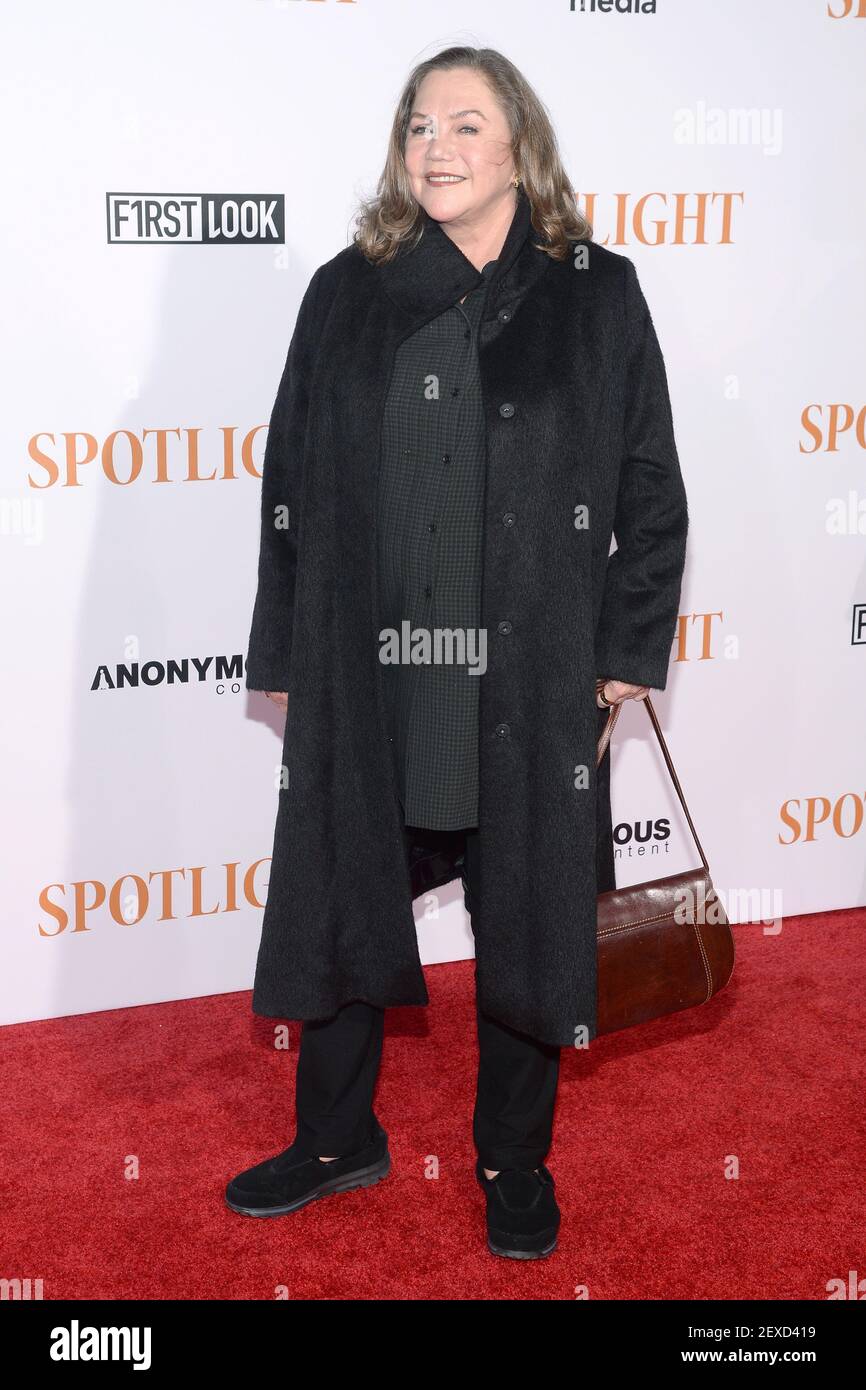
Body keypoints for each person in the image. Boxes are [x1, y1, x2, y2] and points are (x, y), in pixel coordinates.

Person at [226, 45, 688, 1260]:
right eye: (417, 125)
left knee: (528, 919)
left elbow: (650, 489)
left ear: (517, 145)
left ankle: (512, 1158)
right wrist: (284, 648)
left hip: (527, 678)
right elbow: (290, 482)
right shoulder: (346, 289)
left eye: (465, 124)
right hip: (373, 674)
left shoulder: (595, 291)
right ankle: (336, 1139)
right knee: (339, 900)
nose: (434, 146)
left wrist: (624, 653)